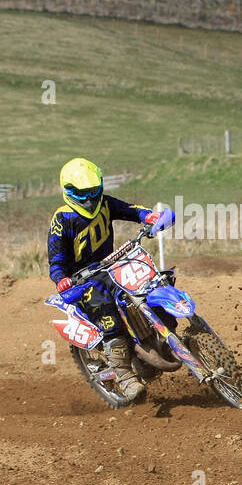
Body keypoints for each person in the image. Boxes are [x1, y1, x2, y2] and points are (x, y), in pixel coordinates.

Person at [47, 157, 173, 401]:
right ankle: (125, 377)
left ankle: (168, 331)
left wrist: (150, 217)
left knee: (152, 281)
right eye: (82, 194)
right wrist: (61, 278)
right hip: (82, 281)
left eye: (93, 192)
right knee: (108, 318)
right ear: (69, 192)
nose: (89, 199)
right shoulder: (61, 219)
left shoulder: (105, 203)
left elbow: (130, 210)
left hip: (112, 266)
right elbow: (56, 260)